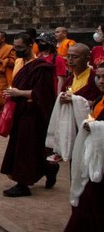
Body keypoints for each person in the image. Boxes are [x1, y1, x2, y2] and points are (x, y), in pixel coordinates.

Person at [0, 33, 58, 197]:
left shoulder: (41, 67)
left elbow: (43, 93)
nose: (17, 50)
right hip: (21, 111)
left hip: (33, 114)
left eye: (20, 47)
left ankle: (23, 184)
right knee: (31, 147)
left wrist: (19, 92)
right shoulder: (21, 63)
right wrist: (12, 94)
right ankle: (49, 168)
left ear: (31, 45)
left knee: (24, 149)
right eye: (15, 47)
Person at [64, 63, 104, 231]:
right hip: (96, 157)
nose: (101, 81)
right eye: (99, 77)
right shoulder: (101, 98)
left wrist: (96, 127)